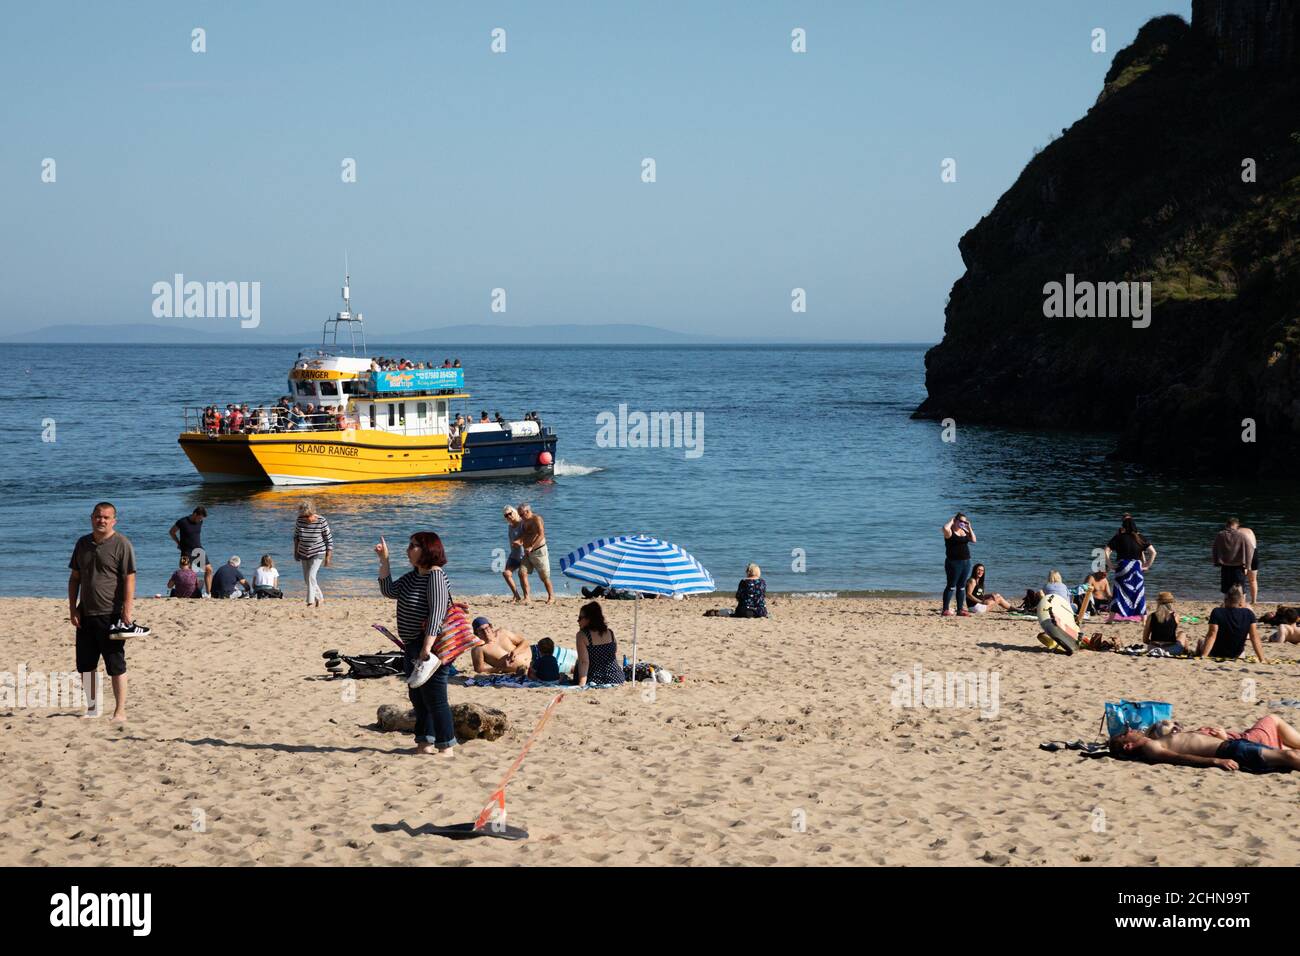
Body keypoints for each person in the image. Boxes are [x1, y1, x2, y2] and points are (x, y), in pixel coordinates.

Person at [377, 531, 458, 757]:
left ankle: (446, 747)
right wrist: (384, 560)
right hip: (412, 646)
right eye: (409, 544)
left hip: (432, 649)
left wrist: (426, 648)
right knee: (419, 698)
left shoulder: (435, 576)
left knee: (436, 699)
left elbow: (437, 615)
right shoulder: (414, 576)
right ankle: (424, 744)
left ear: (428, 550)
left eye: (414, 545)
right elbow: (388, 590)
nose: (408, 549)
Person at [68, 502, 149, 722]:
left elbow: (129, 578)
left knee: (115, 664)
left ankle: (119, 711)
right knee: (86, 665)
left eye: (106, 517)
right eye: (97, 516)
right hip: (85, 614)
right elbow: (75, 578)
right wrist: (73, 608)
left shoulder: (122, 544)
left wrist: (127, 611)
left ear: (114, 520)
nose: (101, 520)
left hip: (111, 614)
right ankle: (93, 708)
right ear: (91, 518)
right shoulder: (82, 544)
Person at [1109, 722, 1300, 773]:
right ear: (1128, 746)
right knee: (1289, 756)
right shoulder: (1150, 749)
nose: (1131, 729)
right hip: (1229, 751)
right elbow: (1178, 758)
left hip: (1231, 745)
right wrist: (1215, 761)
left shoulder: (1152, 742)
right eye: (1127, 733)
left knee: (1287, 755)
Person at [1104, 515, 1156, 620]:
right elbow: (1153, 552)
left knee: (1118, 592)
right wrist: (1147, 565)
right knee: (1138, 592)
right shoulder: (1140, 537)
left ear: (1123, 526)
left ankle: (1110, 619)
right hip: (1136, 568)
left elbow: (1106, 550)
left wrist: (1110, 565)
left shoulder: (1119, 537)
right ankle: (1144, 619)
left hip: (1122, 567)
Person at [1197, 585, 1265, 660]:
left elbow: (1212, 635)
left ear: (1225, 600)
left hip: (1216, 652)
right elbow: (1254, 637)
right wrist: (1261, 658)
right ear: (1240, 602)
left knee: (1200, 641)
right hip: (1237, 654)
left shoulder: (1217, 612)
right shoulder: (1249, 613)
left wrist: (1204, 656)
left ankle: (1200, 653)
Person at [293, 500, 334, 607]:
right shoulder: (299, 520)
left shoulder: (321, 521)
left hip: (318, 551)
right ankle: (320, 598)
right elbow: (296, 537)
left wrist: (328, 557)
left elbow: (328, 539)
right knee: (307, 579)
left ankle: (310, 601)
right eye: (304, 516)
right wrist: (295, 552)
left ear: (313, 513)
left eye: (308, 516)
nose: (306, 519)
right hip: (303, 551)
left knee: (311, 576)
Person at [574, 602, 624, 687]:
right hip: (617, 677)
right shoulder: (610, 632)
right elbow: (614, 651)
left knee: (578, 663)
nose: (578, 621)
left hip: (596, 679)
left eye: (580, 618)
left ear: (588, 619)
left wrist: (581, 684)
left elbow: (584, 662)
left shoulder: (582, 635)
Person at [169, 507, 214, 595]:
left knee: (209, 570)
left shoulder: (200, 522)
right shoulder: (182, 522)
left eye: (202, 518)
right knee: (188, 573)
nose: (200, 520)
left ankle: (209, 593)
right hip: (186, 551)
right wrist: (178, 543)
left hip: (198, 550)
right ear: (194, 514)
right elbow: (172, 532)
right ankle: (191, 593)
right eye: (199, 518)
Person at [517, 503, 554, 603]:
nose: (520, 517)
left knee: (544, 576)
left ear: (527, 511)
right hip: (527, 552)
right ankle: (527, 597)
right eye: (519, 515)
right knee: (521, 573)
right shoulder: (524, 522)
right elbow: (525, 534)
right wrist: (519, 541)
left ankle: (551, 597)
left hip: (539, 551)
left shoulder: (536, 519)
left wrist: (531, 546)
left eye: (521, 514)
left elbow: (541, 534)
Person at [1212, 517, 1255, 602]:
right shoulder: (1242, 535)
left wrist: (1216, 561)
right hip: (1238, 566)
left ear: (1226, 525)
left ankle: (1227, 604)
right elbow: (1251, 549)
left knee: (1226, 588)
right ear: (1237, 525)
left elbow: (1214, 548)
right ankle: (1241, 604)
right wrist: (1248, 566)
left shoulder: (1220, 535)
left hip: (1225, 565)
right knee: (1240, 588)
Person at [940, 512, 975, 616]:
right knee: (951, 586)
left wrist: (969, 527)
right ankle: (945, 609)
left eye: (965, 522)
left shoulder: (964, 531)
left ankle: (960, 609)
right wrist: (951, 521)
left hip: (966, 562)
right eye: (961, 521)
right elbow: (944, 528)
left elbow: (973, 540)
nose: (963, 523)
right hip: (953, 563)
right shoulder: (949, 532)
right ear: (955, 521)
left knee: (962, 587)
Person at [501, 506, 527, 601]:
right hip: (514, 555)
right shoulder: (510, 526)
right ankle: (516, 596)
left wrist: (520, 542)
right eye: (506, 515)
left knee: (522, 575)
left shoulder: (522, 523)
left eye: (510, 513)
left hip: (524, 555)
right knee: (506, 574)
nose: (508, 516)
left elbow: (529, 535)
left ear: (514, 512)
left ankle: (526, 597)